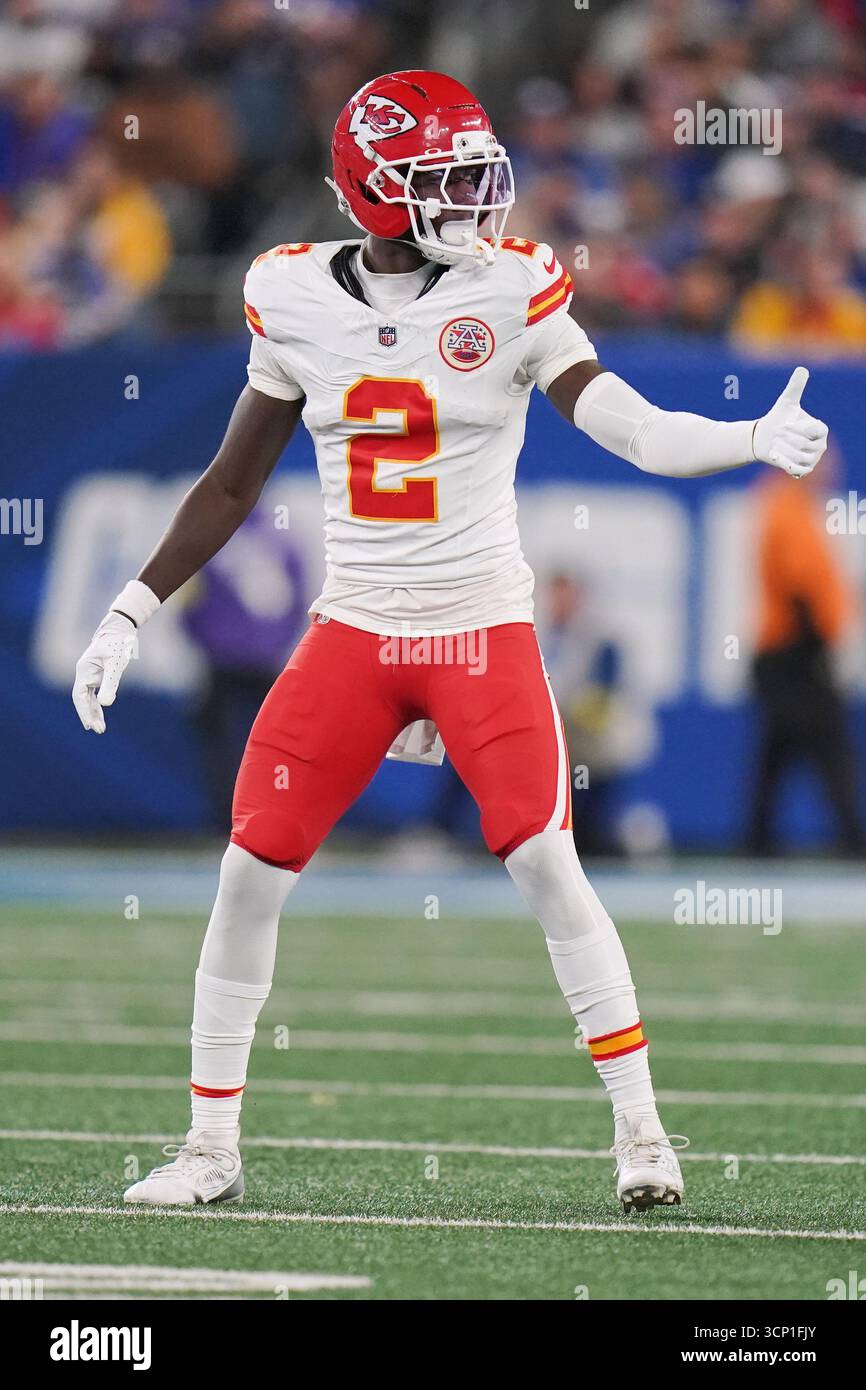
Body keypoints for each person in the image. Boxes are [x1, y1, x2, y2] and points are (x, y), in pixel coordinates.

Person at [72, 70, 828, 1213]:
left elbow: (628, 426)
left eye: (480, 174)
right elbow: (230, 485)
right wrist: (129, 610)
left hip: (479, 625)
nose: (478, 200)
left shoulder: (515, 289)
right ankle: (210, 1149)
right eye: (447, 179)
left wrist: (741, 436)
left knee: (542, 859)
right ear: (379, 195)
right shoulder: (292, 297)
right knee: (247, 871)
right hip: (356, 630)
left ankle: (641, 1132)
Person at [747, 466, 864, 855]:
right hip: (794, 652)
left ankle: (757, 841)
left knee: (777, 750)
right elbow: (799, 583)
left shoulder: (789, 504)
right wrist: (818, 645)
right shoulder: (787, 506)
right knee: (828, 746)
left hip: (786, 652)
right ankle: (850, 839)